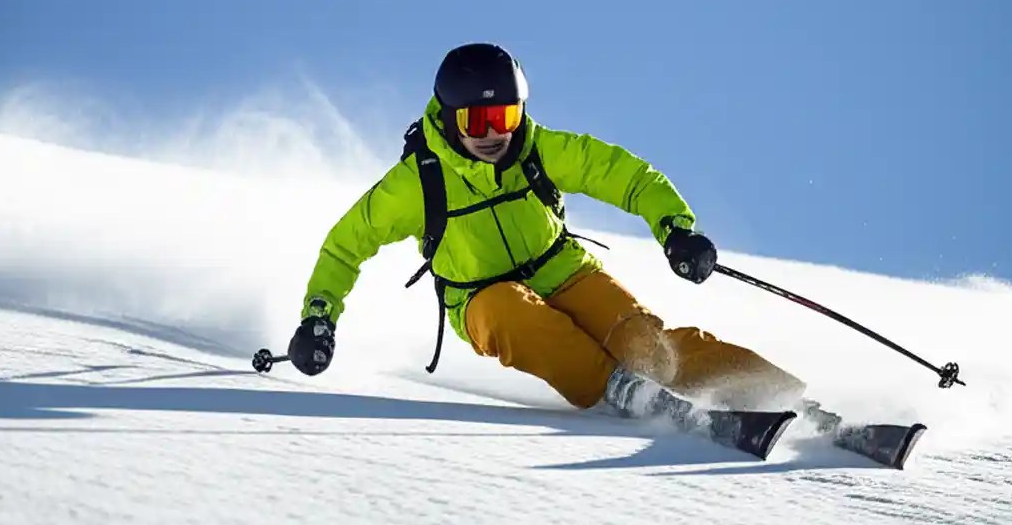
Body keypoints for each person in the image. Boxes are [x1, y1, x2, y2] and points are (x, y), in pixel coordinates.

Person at [288, 42, 805, 418]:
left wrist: (675, 229)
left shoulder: (538, 150)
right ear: (449, 120)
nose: (495, 134)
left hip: (564, 270)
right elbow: (344, 246)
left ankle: (780, 396)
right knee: (517, 316)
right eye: (477, 121)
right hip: (481, 297)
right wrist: (319, 319)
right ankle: (619, 391)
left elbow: (624, 175)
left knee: (645, 343)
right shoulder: (417, 184)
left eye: (506, 115)